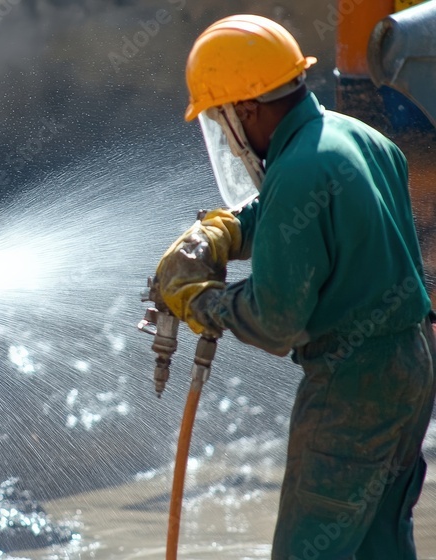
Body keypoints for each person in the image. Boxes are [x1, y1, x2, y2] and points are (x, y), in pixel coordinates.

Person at [155, 14, 435, 559]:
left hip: (352, 390)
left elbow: (275, 318)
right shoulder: (358, 137)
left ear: (248, 110)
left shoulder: (301, 170)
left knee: (311, 548)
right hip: (412, 366)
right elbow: (305, 214)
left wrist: (202, 302)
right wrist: (227, 228)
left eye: (224, 119)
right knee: (379, 543)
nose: (230, 137)